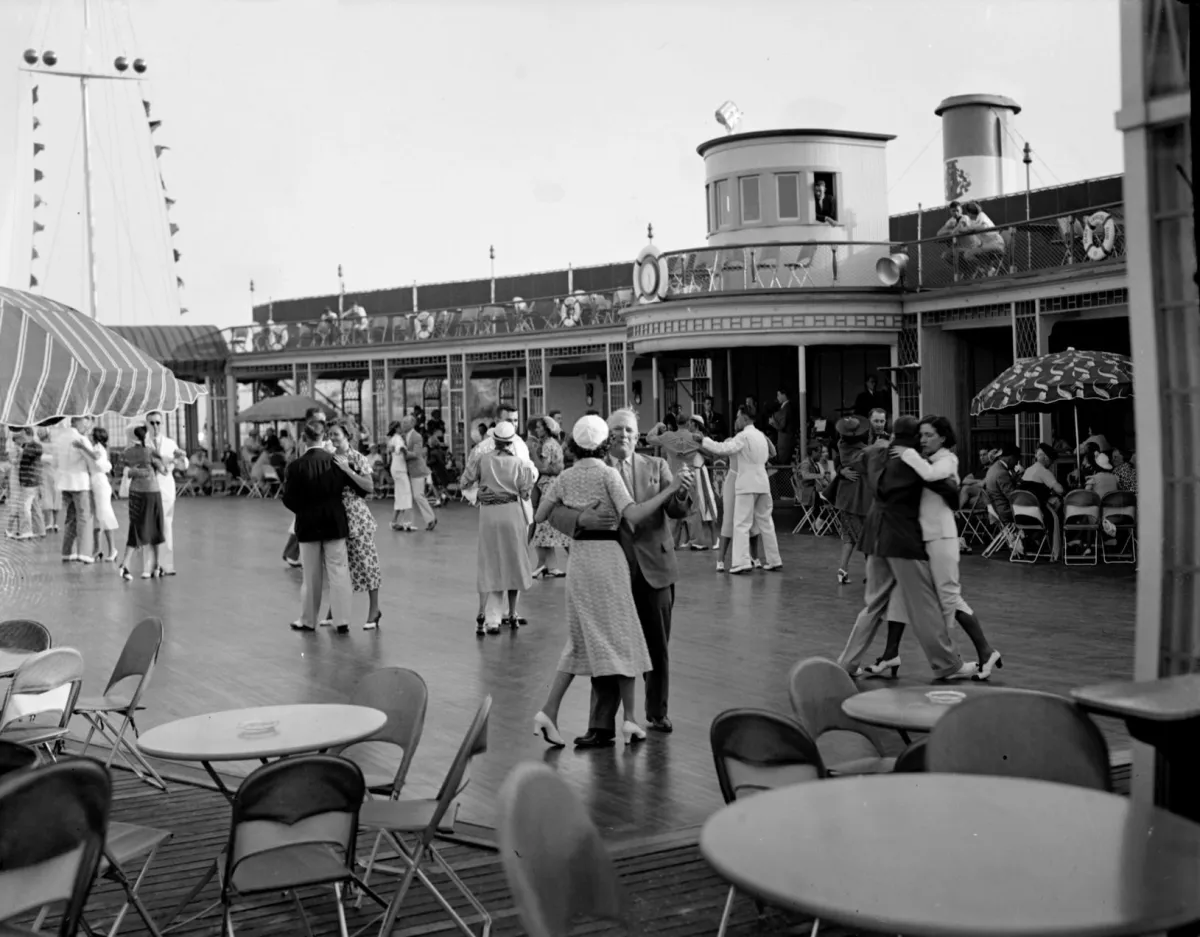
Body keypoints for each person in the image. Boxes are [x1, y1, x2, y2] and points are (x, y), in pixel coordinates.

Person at [533, 415, 695, 748]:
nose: (623, 434)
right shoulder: (599, 471)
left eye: (629, 429)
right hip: (608, 568)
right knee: (605, 644)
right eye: (617, 429)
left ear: (639, 436)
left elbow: (678, 510)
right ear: (606, 437)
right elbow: (556, 513)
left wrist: (679, 491)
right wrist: (581, 518)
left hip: (652, 567)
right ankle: (603, 724)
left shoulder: (657, 466)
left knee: (654, 644)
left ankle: (655, 712)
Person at [862, 416, 1003, 680]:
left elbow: (934, 479)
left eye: (928, 435)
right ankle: (891, 653)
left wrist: (907, 454)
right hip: (921, 539)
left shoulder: (946, 460)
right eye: (921, 435)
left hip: (941, 538)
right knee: (902, 596)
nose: (923, 439)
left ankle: (984, 652)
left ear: (943, 437)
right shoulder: (924, 458)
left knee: (949, 598)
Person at [837, 416, 976, 681]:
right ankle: (948, 665)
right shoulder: (913, 461)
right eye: (921, 435)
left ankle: (846, 663)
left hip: (874, 536)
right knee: (924, 605)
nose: (923, 440)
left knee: (873, 605)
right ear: (914, 437)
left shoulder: (875, 454)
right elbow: (950, 494)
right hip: (901, 539)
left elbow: (853, 460)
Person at [282, 424, 365, 634]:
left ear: (304, 438)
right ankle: (342, 620)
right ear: (324, 437)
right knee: (339, 571)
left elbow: (288, 498)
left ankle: (308, 620)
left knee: (311, 575)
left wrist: (303, 511)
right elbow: (358, 488)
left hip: (308, 525)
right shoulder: (337, 462)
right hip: (335, 523)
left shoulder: (295, 466)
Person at [460, 421, 537, 635]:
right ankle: (511, 613)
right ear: (511, 441)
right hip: (511, 513)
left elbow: (464, 482)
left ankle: (481, 613)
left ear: (494, 440)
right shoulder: (519, 463)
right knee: (513, 562)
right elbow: (525, 492)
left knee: (489, 562)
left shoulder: (482, 459)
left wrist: (480, 493)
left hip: (489, 514)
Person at [702, 407, 782, 574]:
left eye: (738, 417)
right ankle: (774, 560)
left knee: (741, 524)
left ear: (745, 418)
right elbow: (773, 453)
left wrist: (704, 440)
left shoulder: (743, 436)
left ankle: (741, 562)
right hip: (763, 483)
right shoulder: (761, 435)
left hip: (746, 484)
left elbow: (723, 449)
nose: (736, 420)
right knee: (766, 523)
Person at [328, 419, 382, 629]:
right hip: (336, 514)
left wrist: (348, 471)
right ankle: (334, 608)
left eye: (336, 434)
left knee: (366, 561)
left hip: (356, 514)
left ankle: (374, 609)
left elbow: (369, 486)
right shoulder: (329, 457)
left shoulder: (357, 458)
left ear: (347, 435)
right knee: (338, 564)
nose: (332, 438)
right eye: (330, 434)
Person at [117, 425, 167, 581]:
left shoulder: (126, 453)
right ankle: (157, 566)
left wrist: (133, 471)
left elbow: (118, 470)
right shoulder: (150, 451)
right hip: (152, 492)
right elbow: (164, 470)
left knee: (136, 527)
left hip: (135, 493)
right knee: (156, 528)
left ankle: (125, 564)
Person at [528, 415, 570, 578]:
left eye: (539, 427)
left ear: (546, 429)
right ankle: (549, 566)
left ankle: (544, 565)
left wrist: (533, 454)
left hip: (548, 487)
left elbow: (543, 467)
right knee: (546, 529)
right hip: (553, 485)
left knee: (543, 524)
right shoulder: (554, 444)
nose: (537, 430)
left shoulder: (547, 445)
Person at [146, 411, 187, 576]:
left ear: (162, 424)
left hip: (165, 490)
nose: (155, 426)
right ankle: (151, 565)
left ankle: (166, 564)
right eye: (152, 423)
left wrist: (181, 458)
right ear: (147, 424)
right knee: (150, 527)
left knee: (166, 526)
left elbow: (182, 466)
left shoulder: (170, 444)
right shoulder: (142, 444)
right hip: (147, 489)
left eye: (158, 422)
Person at [57, 416, 98, 564]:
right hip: (80, 482)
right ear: (76, 421)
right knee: (84, 517)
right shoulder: (81, 439)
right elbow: (93, 460)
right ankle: (84, 553)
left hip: (65, 482)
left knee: (71, 517)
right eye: (84, 422)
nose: (86, 425)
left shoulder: (61, 438)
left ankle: (67, 552)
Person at [89, 427, 120, 562]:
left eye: (92, 434)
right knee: (96, 517)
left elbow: (101, 464)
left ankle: (112, 549)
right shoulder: (95, 448)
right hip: (94, 483)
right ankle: (97, 549)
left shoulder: (98, 449)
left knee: (105, 515)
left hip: (100, 484)